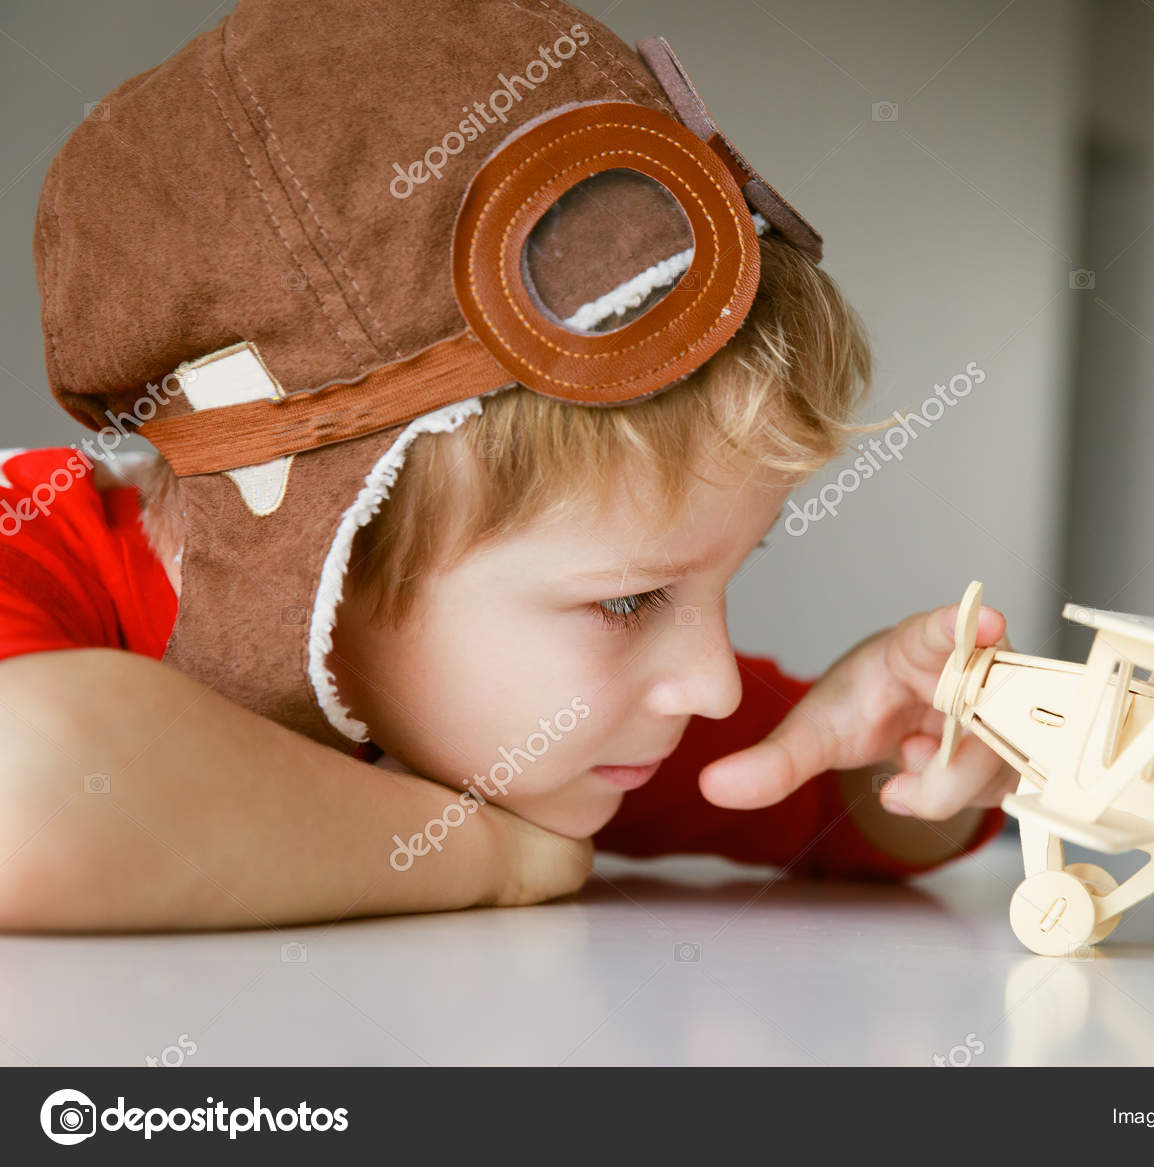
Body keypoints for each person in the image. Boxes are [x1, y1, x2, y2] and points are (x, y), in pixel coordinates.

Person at [0, 0, 1015, 931]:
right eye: (630, 600)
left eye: (721, 581)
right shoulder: (26, 545)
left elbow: (841, 820)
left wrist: (892, 756)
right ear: (323, 553)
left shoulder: (540, 720)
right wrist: (483, 857)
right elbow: (28, 788)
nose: (708, 686)